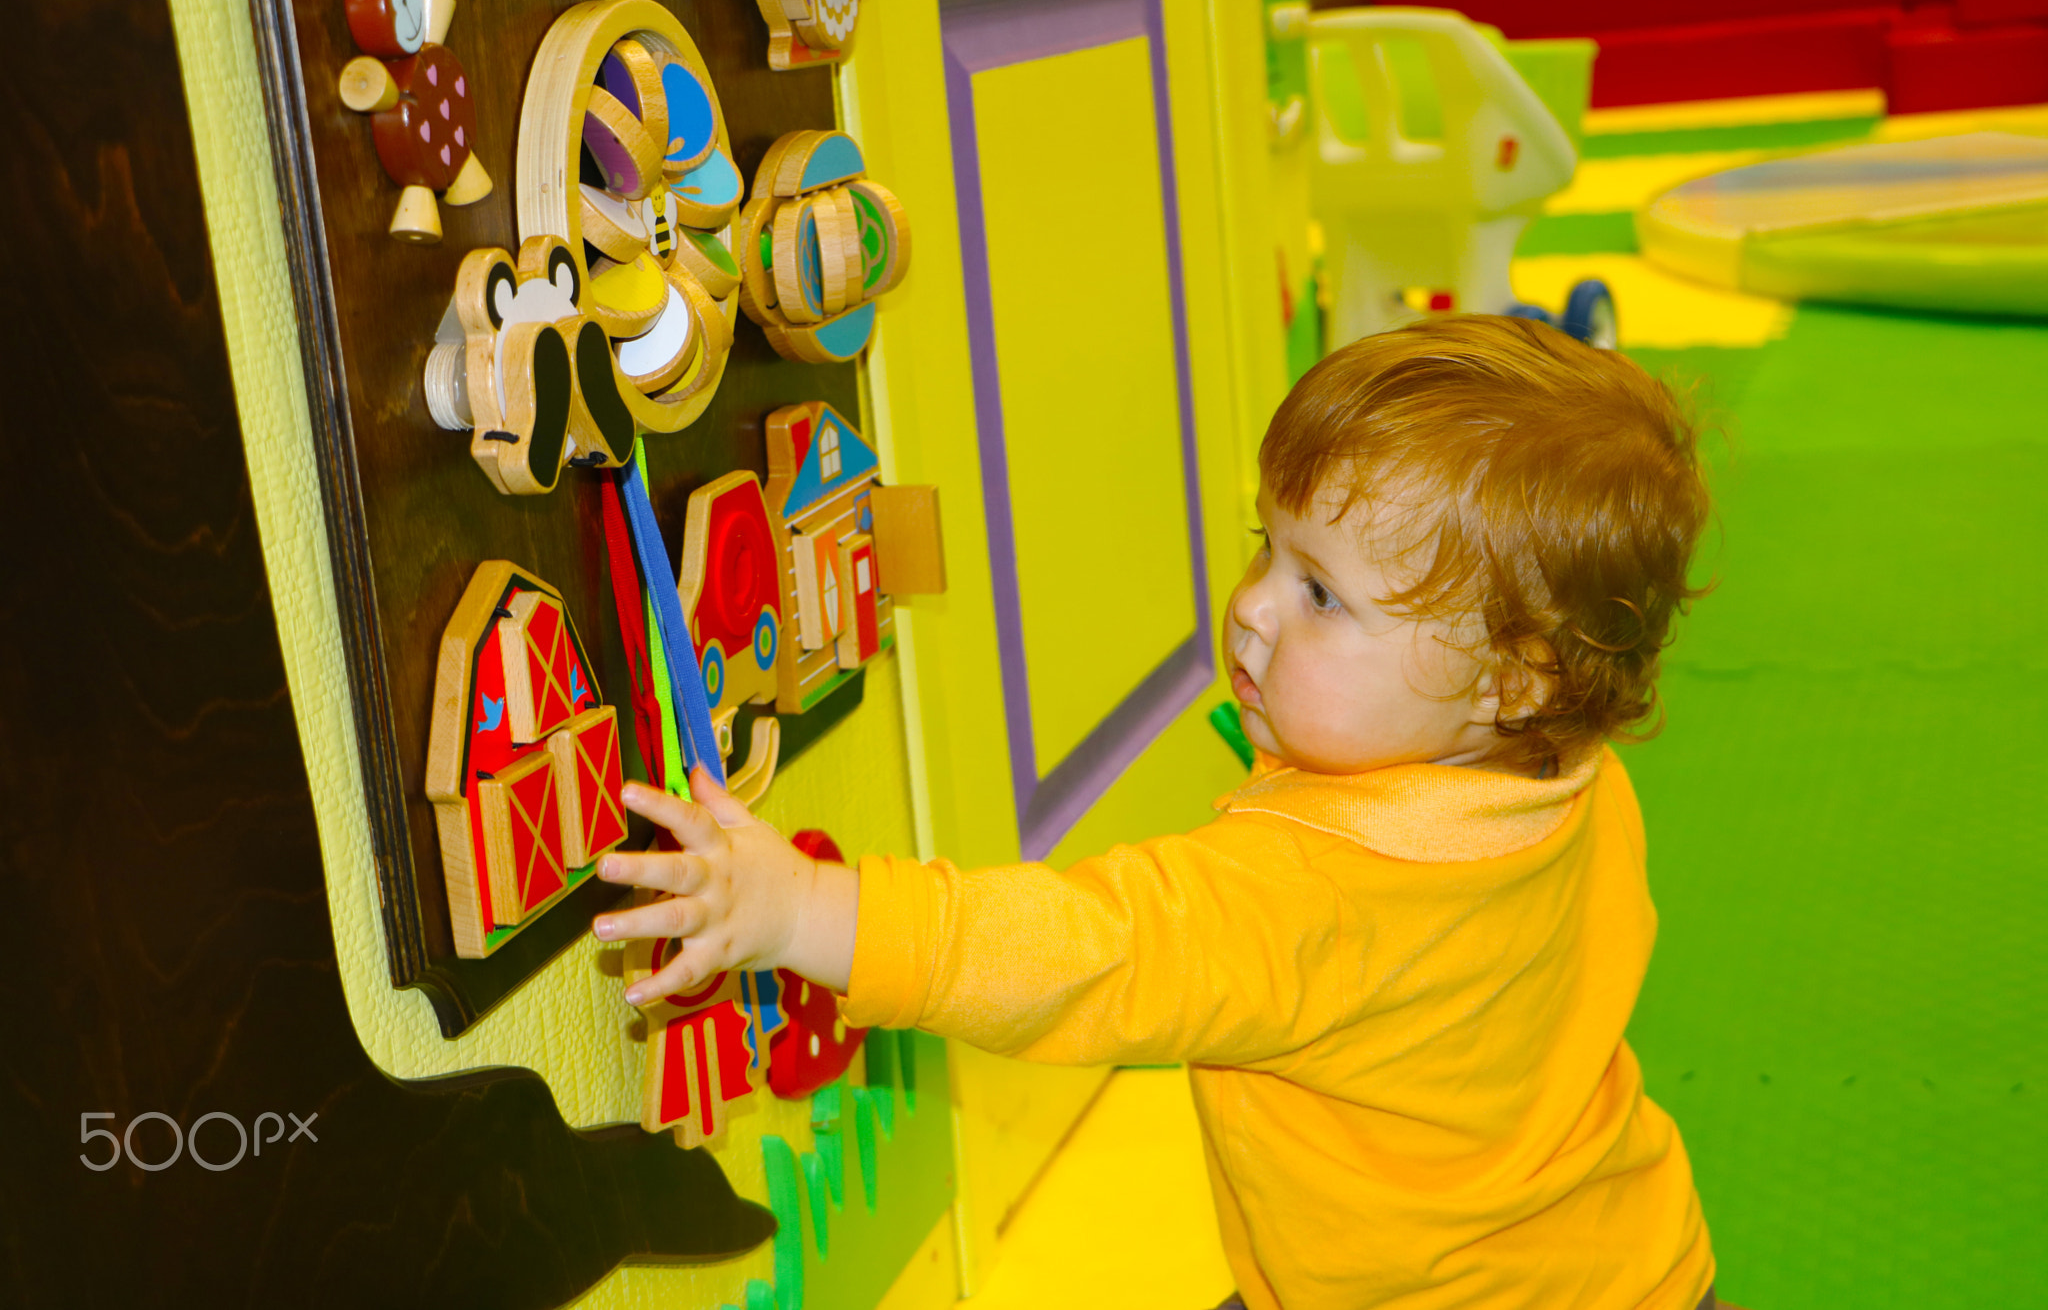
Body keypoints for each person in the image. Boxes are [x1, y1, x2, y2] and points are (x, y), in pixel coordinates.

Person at [593, 315, 1728, 1309]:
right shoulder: (1562, 773)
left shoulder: (1300, 893)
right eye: (1265, 551)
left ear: (1509, 680)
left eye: (1321, 594)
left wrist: (801, 909)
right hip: (1633, 1257)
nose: (1250, 611)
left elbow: (1081, 953)